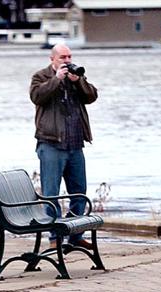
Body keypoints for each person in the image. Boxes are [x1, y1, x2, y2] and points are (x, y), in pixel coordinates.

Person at [29, 43, 98, 251]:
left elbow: (92, 96)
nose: (67, 61)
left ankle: (75, 235)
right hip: (51, 143)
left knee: (79, 192)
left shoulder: (76, 76)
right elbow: (36, 96)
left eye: (69, 56)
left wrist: (78, 82)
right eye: (62, 57)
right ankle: (54, 236)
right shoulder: (40, 76)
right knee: (51, 193)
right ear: (53, 59)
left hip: (76, 144)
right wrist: (56, 79)